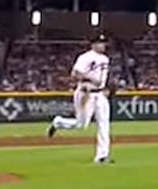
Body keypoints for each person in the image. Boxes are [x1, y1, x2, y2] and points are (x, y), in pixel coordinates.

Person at [46, 33, 114, 163]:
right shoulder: (85, 57)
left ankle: (102, 156)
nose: (103, 45)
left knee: (104, 125)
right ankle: (58, 122)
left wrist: (105, 88)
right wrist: (90, 78)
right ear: (93, 44)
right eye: (100, 43)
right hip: (86, 93)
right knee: (81, 124)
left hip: (100, 94)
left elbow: (103, 78)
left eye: (104, 43)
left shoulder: (105, 59)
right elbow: (75, 74)